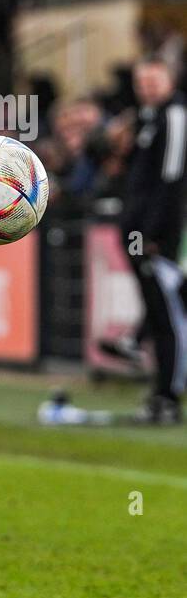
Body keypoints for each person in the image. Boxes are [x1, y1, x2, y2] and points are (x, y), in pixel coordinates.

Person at [103, 59, 186, 423]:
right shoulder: (147, 118)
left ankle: (168, 396)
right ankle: (159, 388)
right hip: (141, 234)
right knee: (158, 315)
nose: (148, 87)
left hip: (160, 238)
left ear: (171, 80)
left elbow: (172, 178)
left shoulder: (175, 115)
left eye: (155, 80)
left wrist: (154, 234)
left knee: (169, 318)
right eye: (142, 81)